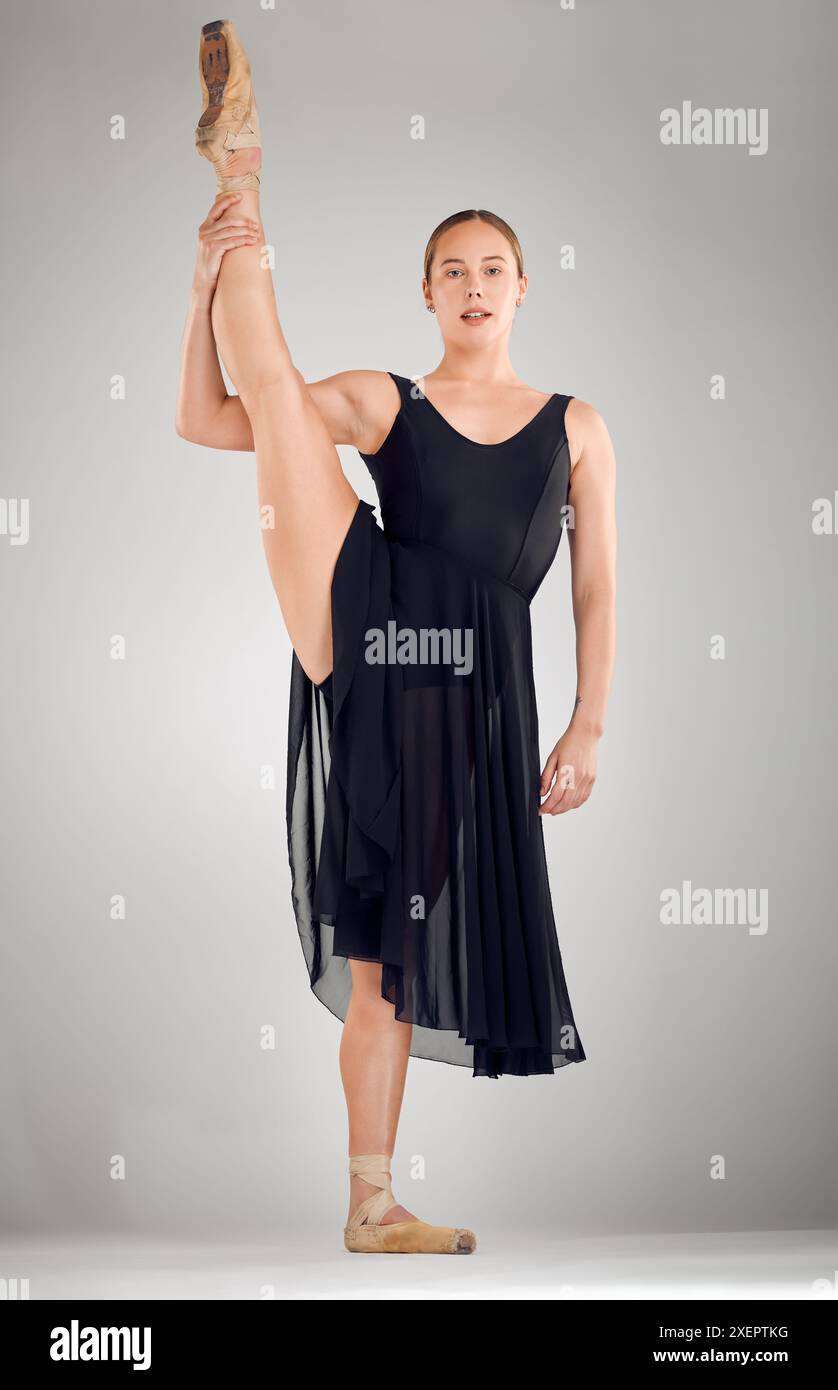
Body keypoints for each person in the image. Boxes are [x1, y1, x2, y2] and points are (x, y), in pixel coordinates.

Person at [177, 19, 617, 1254]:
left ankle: (371, 1205)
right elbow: (211, 419)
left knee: (383, 959)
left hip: (474, 687)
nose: (474, 285)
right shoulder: (390, 399)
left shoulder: (579, 427)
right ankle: (239, 174)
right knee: (279, 399)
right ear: (427, 292)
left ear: (523, 287)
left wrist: (586, 719)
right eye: (452, 269)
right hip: (369, 617)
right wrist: (203, 280)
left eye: (493, 268)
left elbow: (592, 588)